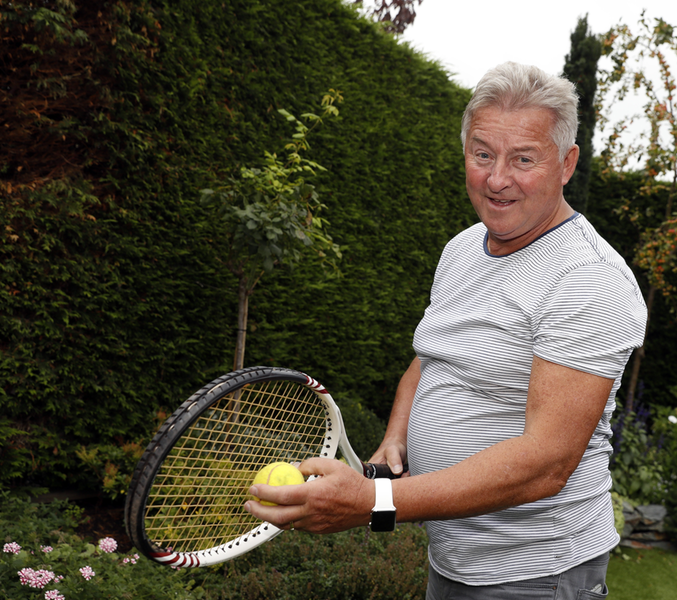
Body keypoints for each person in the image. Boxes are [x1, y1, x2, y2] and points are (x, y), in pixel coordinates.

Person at [246, 62, 647, 599]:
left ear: (567, 163)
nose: (497, 179)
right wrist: (396, 436)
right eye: (482, 154)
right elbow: (430, 358)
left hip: (534, 573)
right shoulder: (462, 249)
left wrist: (376, 503)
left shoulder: (589, 279)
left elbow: (545, 464)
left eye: (523, 159)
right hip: (453, 563)